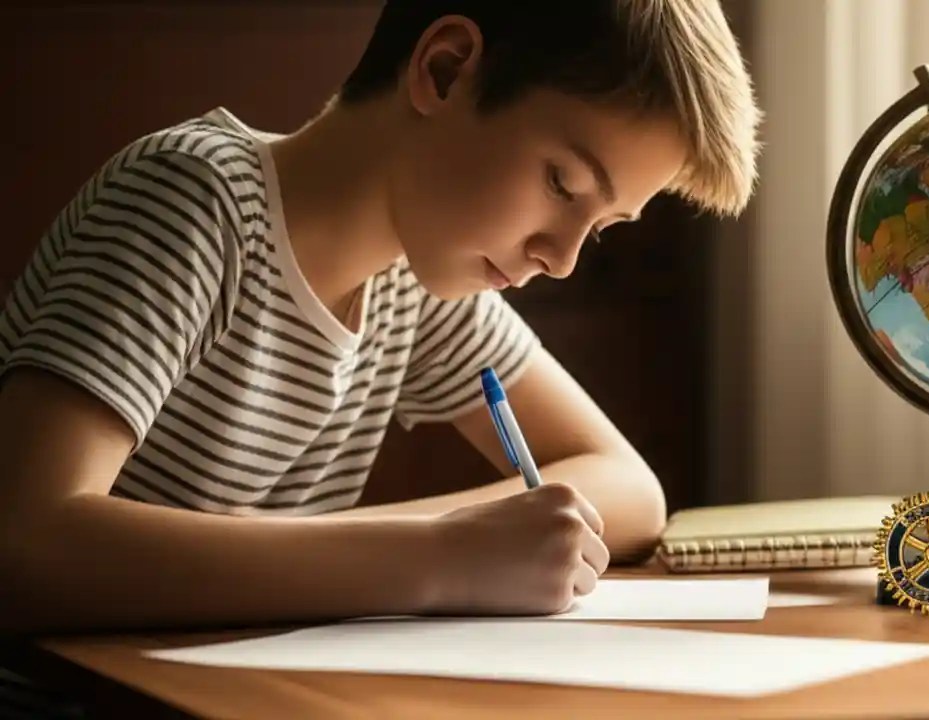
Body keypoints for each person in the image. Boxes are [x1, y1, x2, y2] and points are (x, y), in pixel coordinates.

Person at [0, 0, 759, 645]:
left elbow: (629, 488)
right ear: (445, 70)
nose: (561, 259)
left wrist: (450, 546)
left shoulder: (416, 284)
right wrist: (433, 557)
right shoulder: (195, 204)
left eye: (600, 227)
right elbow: (24, 542)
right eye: (562, 183)